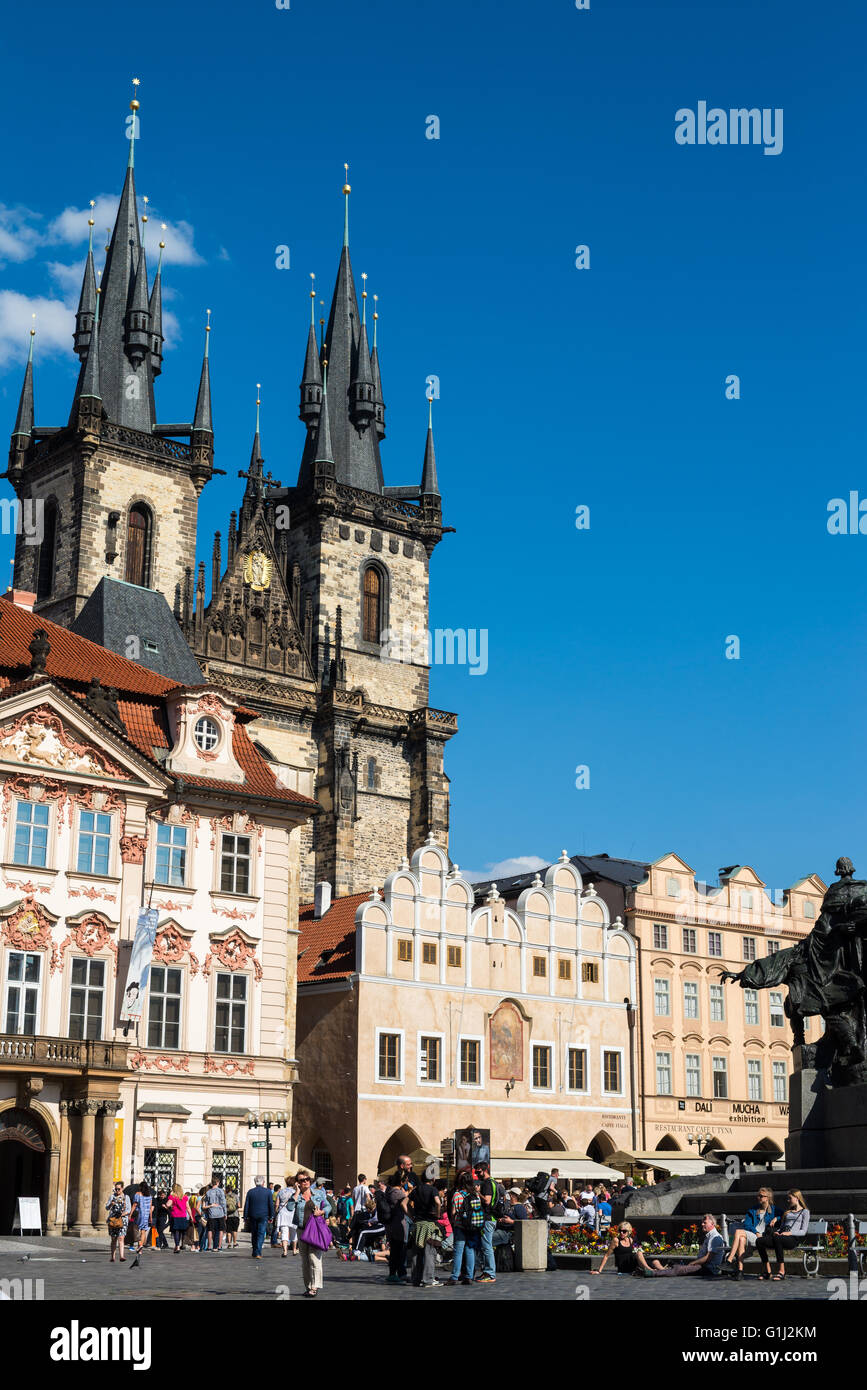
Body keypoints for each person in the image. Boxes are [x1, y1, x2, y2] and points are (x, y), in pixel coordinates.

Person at [635, 1213, 726, 1277]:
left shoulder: (715, 1237)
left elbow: (708, 1258)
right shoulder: (710, 1236)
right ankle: (657, 1271)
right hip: (704, 1266)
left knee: (678, 1269)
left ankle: (650, 1273)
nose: (702, 1224)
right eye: (702, 1222)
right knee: (677, 1266)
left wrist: (693, 1263)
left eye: (704, 1222)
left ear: (712, 1224)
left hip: (709, 1269)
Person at [726, 1187, 782, 1278]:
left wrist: (776, 1218)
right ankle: (732, 1263)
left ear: (767, 1198)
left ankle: (736, 1267)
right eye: (758, 1196)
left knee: (741, 1237)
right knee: (740, 1235)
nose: (759, 1198)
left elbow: (785, 1216)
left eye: (761, 1196)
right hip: (754, 1235)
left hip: (764, 1237)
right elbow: (747, 1225)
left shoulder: (774, 1210)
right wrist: (756, 1232)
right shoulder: (753, 1210)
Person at [755, 1190, 810, 1281]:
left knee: (778, 1239)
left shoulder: (805, 1212)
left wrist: (789, 1233)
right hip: (781, 1237)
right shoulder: (787, 1212)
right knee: (759, 1241)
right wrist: (779, 1231)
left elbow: (803, 1231)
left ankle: (782, 1271)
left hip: (793, 1239)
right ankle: (768, 1271)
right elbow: (782, 1227)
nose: (788, 1200)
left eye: (790, 1198)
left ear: (797, 1198)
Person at [295, 1172, 330, 1296]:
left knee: (314, 1258)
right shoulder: (296, 1197)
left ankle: (314, 1287)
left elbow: (328, 1206)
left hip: (315, 1229)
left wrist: (322, 1212)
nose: (305, 1181)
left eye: (307, 1179)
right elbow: (289, 1207)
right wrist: (297, 1192)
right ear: (298, 1183)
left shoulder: (319, 1194)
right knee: (305, 1260)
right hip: (302, 1230)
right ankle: (308, 1286)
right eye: (302, 1180)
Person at [449, 1171, 484, 1286]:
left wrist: (454, 1221)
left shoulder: (457, 1195)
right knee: (470, 1250)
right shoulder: (476, 1195)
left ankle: (454, 1276)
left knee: (458, 1252)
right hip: (472, 1227)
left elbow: (453, 1212)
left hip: (460, 1226)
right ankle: (469, 1276)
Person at [408, 1173, 443, 1287]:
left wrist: (411, 1215)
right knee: (429, 1252)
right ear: (432, 1179)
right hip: (429, 1224)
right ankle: (428, 1279)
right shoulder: (433, 1190)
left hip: (417, 1224)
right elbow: (438, 1202)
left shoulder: (416, 1190)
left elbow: (404, 1203)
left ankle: (416, 1279)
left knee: (416, 1253)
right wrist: (438, 1214)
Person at [476, 1161, 498, 1283]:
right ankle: (486, 1272)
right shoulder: (493, 1181)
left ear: (484, 1171)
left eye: (478, 1171)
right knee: (485, 1246)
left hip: (488, 1218)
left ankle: (490, 1273)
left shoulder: (487, 1183)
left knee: (487, 1247)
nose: (477, 1174)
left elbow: (487, 1201)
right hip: (491, 1218)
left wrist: (478, 1192)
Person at [243, 1175, 274, 1259]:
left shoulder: (250, 1192)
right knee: (260, 1233)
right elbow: (271, 1204)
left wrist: (245, 1216)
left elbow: (247, 1205)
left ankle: (254, 1251)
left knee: (254, 1234)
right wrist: (271, 1216)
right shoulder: (268, 1192)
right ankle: (258, 1252)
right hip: (263, 1215)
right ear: (263, 1182)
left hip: (252, 1215)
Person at [385, 1184, 410, 1285]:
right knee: (400, 1250)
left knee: (395, 1250)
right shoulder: (397, 1193)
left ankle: (393, 1273)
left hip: (390, 1225)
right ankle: (400, 1273)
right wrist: (411, 1189)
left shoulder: (389, 1192)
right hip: (398, 1225)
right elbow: (408, 1199)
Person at [105, 1181, 132, 1263]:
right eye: (115, 1189)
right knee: (113, 1239)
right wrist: (111, 1204)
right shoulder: (112, 1196)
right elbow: (106, 1207)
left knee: (121, 1238)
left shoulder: (126, 1197)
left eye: (118, 1189)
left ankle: (121, 1256)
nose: (117, 1191)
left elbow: (129, 1209)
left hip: (122, 1220)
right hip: (113, 1220)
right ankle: (112, 1257)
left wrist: (123, 1214)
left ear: (122, 1188)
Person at [275, 1177, 299, 1256]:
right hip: (292, 1212)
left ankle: (285, 1251)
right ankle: (294, 1249)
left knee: (284, 1233)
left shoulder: (281, 1191)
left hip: (283, 1213)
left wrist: (276, 1211)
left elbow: (277, 1204)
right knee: (294, 1232)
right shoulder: (295, 1192)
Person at [204, 1174, 227, 1252]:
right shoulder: (220, 1191)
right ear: (217, 1182)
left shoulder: (208, 1192)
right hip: (220, 1213)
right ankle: (219, 1246)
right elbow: (223, 1203)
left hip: (211, 1213)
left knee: (210, 1230)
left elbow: (206, 1204)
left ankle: (209, 1246)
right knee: (220, 1230)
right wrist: (225, 1213)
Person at [167, 1184, 191, 1253]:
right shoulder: (185, 1197)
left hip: (175, 1216)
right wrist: (191, 1216)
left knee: (176, 1232)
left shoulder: (172, 1197)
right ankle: (181, 1244)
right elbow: (188, 1207)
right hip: (183, 1216)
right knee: (181, 1231)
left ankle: (177, 1246)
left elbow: (168, 1204)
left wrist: (169, 1205)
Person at [132, 1182, 152, 1253]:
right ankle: (140, 1246)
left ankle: (139, 1245)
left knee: (138, 1229)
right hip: (146, 1215)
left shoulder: (138, 1194)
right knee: (143, 1231)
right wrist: (151, 1217)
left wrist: (130, 1214)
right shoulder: (149, 1196)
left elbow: (134, 1205)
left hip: (140, 1214)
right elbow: (150, 1207)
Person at [225, 1180, 240, 1248]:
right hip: (235, 1215)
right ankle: (234, 1243)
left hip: (228, 1215)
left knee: (228, 1230)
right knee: (234, 1230)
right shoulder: (236, 1196)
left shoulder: (225, 1196)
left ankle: (229, 1244)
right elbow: (239, 1205)